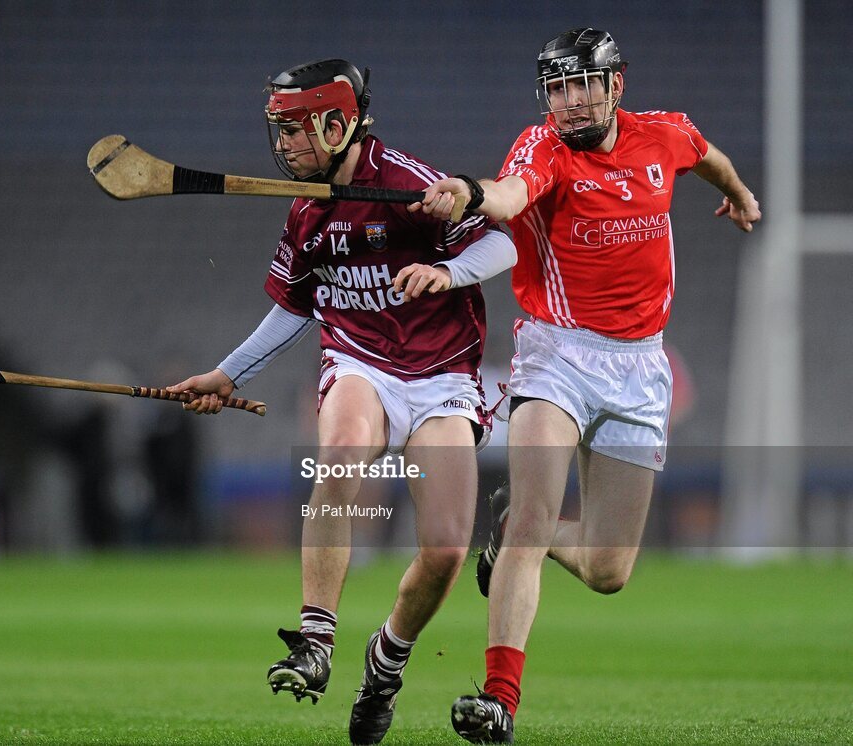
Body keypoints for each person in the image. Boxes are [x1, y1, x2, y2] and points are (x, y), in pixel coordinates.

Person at [413, 28, 760, 743]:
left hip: (641, 368)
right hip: (557, 356)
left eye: (582, 86)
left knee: (607, 570)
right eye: (557, 89)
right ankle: (500, 699)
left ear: (614, 86)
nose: (569, 103)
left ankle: (514, 533)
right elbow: (509, 197)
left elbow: (708, 157)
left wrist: (739, 194)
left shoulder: (665, 134)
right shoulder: (543, 148)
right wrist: (471, 193)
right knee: (540, 513)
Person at [168, 58, 516, 745]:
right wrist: (228, 373)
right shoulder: (306, 212)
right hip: (360, 361)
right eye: (281, 133)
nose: (286, 147)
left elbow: (502, 242)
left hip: (443, 375)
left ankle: (384, 662)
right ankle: (316, 640)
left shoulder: (412, 184)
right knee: (343, 453)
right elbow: (293, 309)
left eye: (298, 131)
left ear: (339, 122)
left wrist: (446, 270)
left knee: (446, 549)